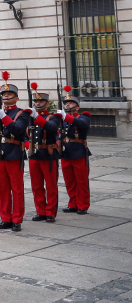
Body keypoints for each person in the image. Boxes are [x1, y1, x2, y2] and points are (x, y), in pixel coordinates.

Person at [0, 73, 31, 232]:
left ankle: (17, 219)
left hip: (14, 152)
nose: (6, 96)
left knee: (16, 188)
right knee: (2, 188)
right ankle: (5, 218)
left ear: (16, 98)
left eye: (9, 94)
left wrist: (5, 118)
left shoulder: (22, 114)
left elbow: (19, 131)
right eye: (4, 94)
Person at [28, 84, 60, 223]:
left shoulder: (54, 117)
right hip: (34, 154)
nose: (37, 103)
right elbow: (24, 133)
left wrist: (36, 117)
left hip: (48, 154)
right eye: (36, 101)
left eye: (40, 101)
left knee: (51, 185)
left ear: (47, 104)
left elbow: (51, 128)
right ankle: (40, 210)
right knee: (36, 185)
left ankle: (50, 212)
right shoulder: (30, 118)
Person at [59, 85, 91, 215]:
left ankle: (83, 205)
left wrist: (65, 117)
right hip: (66, 152)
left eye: (70, 103)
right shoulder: (63, 120)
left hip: (79, 152)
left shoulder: (83, 116)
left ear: (77, 107)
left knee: (81, 181)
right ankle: (73, 203)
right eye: (66, 104)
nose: (67, 106)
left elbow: (83, 124)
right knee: (69, 180)